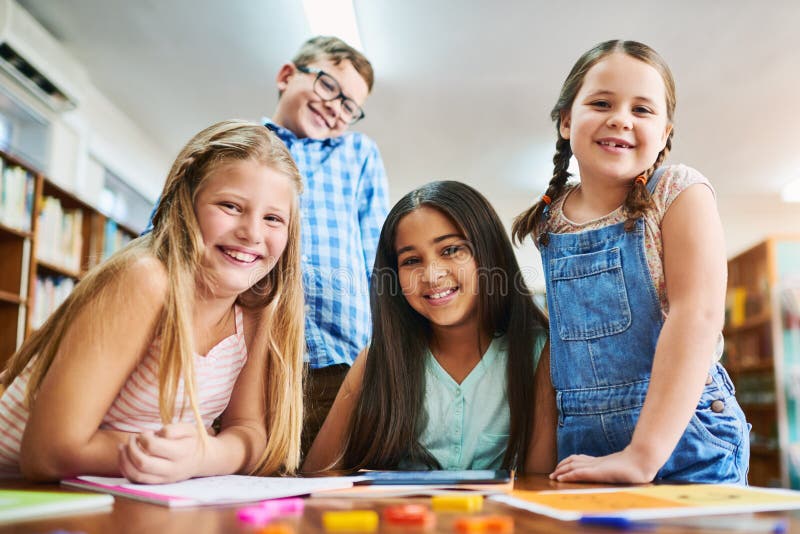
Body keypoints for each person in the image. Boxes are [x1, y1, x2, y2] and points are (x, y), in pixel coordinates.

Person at [0, 120, 305, 482]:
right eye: (230, 206)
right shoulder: (146, 280)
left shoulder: (257, 311)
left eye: (273, 218)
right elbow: (48, 453)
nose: (252, 233)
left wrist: (204, 455)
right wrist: (172, 455)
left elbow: (249, 432)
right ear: (186, 203)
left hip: (100, 492)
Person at [512, 40, 749, 484]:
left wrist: (643, 455)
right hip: (583, 442)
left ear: (664, 134)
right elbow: (559, 348)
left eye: (642, 110)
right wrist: (535, 468)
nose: (620, 118)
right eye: (601, 103)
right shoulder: (552, 220)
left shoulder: (677, 191)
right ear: (566, 121)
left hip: (685, 442)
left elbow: (696, 316)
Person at [303, 181, 554, 474]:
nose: (432, 275)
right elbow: (317, 475)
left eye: (450, 250)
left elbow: (538, 485)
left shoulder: (542, 353)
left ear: (490, 252)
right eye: (411, 260)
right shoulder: (376, 360)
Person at [265, 36, 389, 455]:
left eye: (349, 106)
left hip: (344, 364)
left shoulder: (358, 154)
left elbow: (380, 255)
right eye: (328, 86)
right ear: (287, 76)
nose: (336, 107)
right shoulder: (243, 144)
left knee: (336, 488)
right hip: (258, 362)